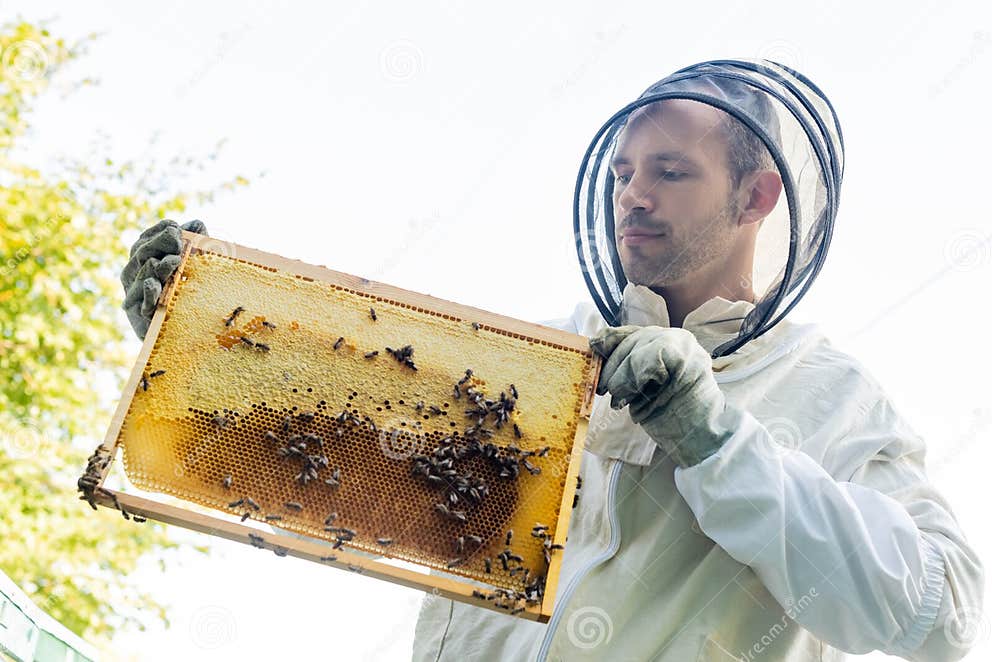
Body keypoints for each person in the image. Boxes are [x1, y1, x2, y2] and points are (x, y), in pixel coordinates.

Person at [121, 60, 984, 661]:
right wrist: (199, 352)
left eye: (671, 172)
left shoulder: (832, 398)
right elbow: (340, 467)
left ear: (757, 197)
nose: (634, 196)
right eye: (621, 174)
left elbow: (942, 616)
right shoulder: (535, 364)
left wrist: (716, 440)